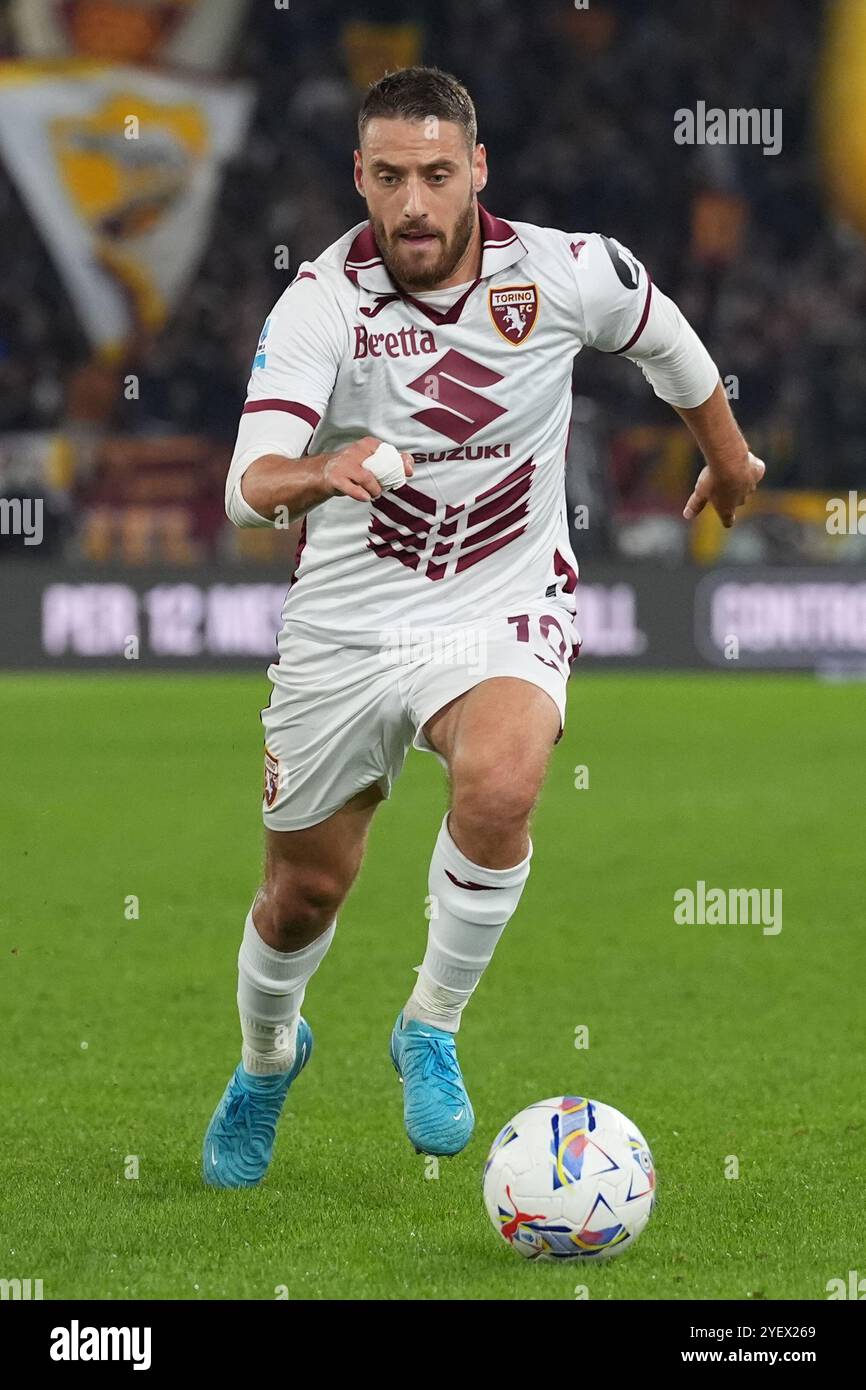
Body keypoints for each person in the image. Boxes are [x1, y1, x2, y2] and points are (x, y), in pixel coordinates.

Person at [203, 65, 764, 1187]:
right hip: (349, 624)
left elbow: (666, 341)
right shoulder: (320, 301)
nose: (413, 203)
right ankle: (269, 1058)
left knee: (503, 781)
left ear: (477, 172)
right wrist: (322, 468)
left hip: (500, 601)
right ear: (357, 176)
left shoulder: (561, 271)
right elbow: (244, 484)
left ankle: (430, 1024)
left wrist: (727, 452)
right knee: (302, 890)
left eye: (436, 175)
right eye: (390, 177)